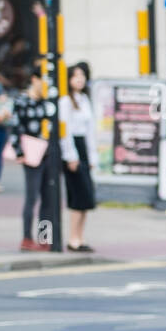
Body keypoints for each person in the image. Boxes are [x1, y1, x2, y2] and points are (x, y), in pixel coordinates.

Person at [12, 74, 68, 252]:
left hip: (49, 155)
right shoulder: (21, 101)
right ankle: (26, 238)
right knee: (32, 197)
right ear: (34, 79)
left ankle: (44, 239)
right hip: (31, 154)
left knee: (48, 198)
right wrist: (19, 151)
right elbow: (15, 127)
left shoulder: (48, 103)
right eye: (43, 81)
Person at [58, 62, 98, 251]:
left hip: (83, 148)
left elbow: (90, 131)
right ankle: (73, 238)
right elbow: (64, 131)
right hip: (72, 149)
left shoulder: (84, 100)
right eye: (75, 76)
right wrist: (70, 156)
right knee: (77, 195)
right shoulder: (65, 101)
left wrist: (91, 157)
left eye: (82, 75)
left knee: (86, 197)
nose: (79, 79)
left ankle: (80, 237)